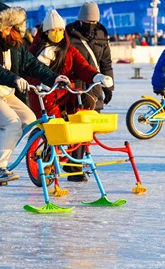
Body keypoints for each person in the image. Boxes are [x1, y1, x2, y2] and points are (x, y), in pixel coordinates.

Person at [0, 0, 69, 185]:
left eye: (11, 25)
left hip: (5, 93)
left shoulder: (13, 44)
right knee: (12, 123)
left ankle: (5, 153)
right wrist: (14, 79)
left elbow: (31, 64)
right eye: (6, 26)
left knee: (30, 120)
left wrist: (54, 78)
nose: (10, 30)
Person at [27, 10, 113, 182]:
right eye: (53, 30)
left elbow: (83, 67)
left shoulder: (69, 50)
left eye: (60, 30)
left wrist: (98, 77)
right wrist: (43, 83)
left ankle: (76, 161)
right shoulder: (39, 52)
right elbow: (33, 73)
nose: (58, 34)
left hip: (66, 94)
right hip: (45, 97)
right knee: (56, 128)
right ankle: (52, 160)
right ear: (45, 32)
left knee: (84, 109)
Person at [65, 2, 115, 110]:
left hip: (95, 87)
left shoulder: (102, 37)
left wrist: (108, 88)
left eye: (94, 22)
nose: (91, 24)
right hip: (75, 88)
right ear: (81, 20)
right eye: (88, 21)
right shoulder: (69, 35)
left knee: (95, 122)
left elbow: (106, 64)